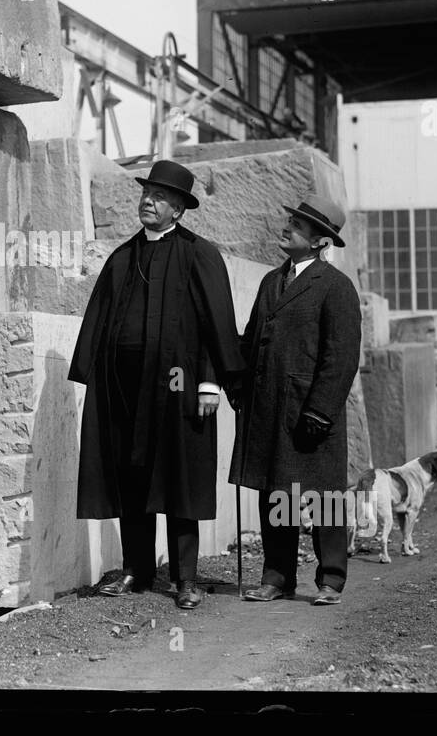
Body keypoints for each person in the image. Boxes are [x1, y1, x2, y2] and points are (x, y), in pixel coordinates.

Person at [70, 159, 244, 611]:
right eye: (147, 192)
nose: (149, 201)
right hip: (125, 390)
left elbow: (216, 325)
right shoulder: (123, 256)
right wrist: (95, 377)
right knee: (131, 477)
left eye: (161, 197)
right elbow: (100, 320)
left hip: (179, 388)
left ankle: (186, 579)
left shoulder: (198, 254)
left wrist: (211, 384)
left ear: (179, 210)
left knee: (179, 480)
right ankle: (137, 570)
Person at [226, 194, 362, 606]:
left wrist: (321, 409)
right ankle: (278, 576)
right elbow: (251, 341)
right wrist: (235, 383)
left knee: (323, 497)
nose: (287, 228)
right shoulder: (272, 282)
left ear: (320, 241)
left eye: (298, 226)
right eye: (290, 221)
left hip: (310, 410)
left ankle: (331, 579)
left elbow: (341, 355)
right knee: (275, 493)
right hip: (268, 407)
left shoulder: (335, 287)